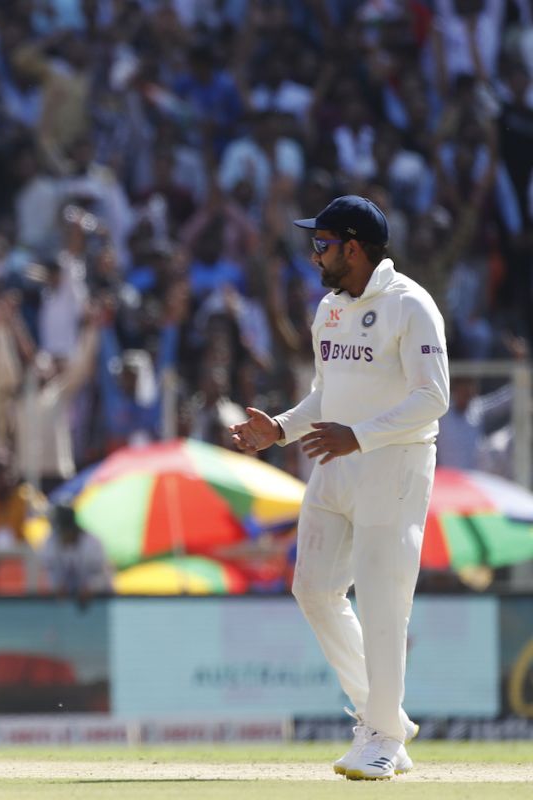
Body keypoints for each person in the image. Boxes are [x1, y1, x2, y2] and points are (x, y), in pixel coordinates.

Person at [229, 196, 448, 781]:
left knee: (382, 601)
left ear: (355, 247)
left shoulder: (411, 306)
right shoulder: (328, 308)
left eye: (322, 244)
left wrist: (362, 437)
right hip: (335, 462)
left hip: (392, 468)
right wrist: (279, 428)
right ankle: (386, 720)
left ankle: (379, 738)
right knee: (314, 590)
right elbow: (326, 394)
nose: (314, 254)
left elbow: (434, 397)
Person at [38, 504, 112, 605]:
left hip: (98, 602)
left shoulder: (93, 543)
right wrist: (56, 587)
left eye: (63, 531)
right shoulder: (51, 542)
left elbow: (104, 576)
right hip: (63, 603)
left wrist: (90, 588)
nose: (61, 535)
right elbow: (46, 572)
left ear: (71, 528)